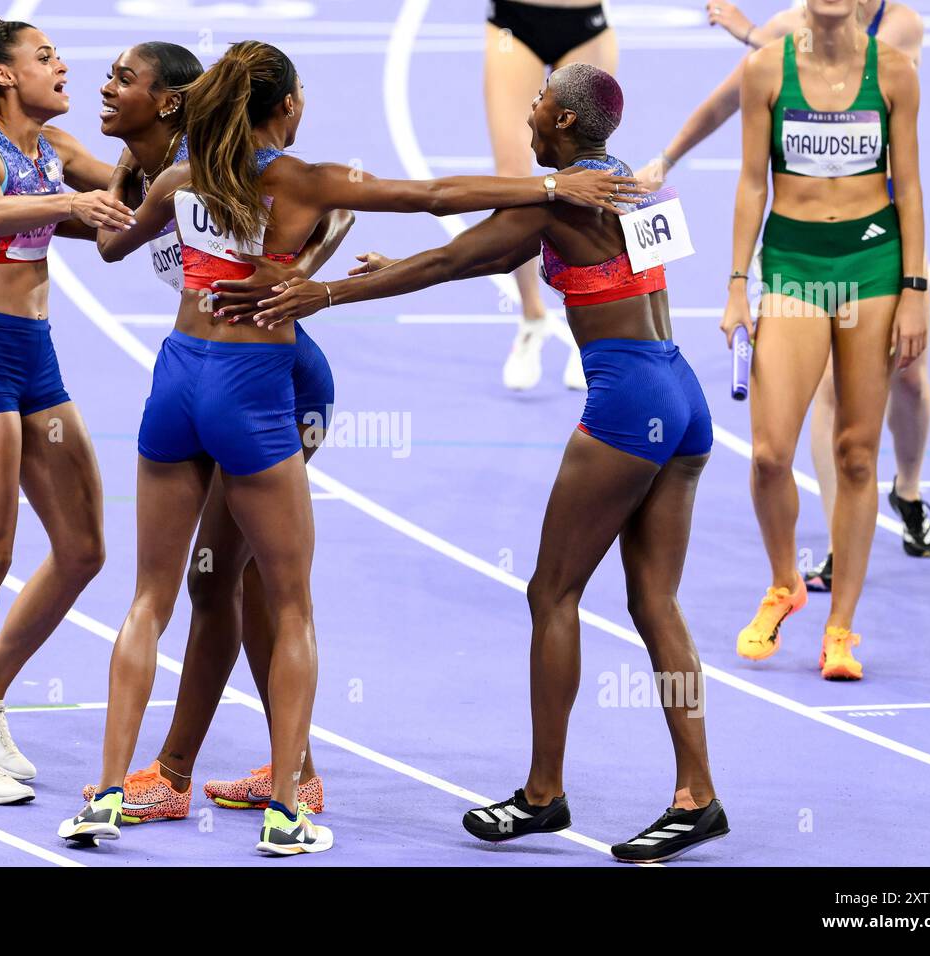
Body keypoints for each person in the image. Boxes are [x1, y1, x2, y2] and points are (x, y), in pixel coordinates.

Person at [56, 41, 645, 855]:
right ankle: (289, 810)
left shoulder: (176, 181)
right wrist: (554, 185)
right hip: (254, 387)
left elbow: (114, 245)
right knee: (290, 602)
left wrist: (66, 205)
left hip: (175, 382)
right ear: (285, 108)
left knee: (148, 600)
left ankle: (109, 793)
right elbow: (435, 193)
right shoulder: (303, 180)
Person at [255, 63, 728, 864]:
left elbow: (454, 261)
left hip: (624, 401)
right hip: (678, 390)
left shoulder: (557, 198)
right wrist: (389, 269)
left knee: (553, 592)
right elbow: (474, 253)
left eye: (539, 103)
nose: (529, 113)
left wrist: (328, 294)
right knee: (657, 603)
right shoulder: (638, 185)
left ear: (569, 125)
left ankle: (544, 794)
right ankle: (696, 795)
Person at [85, 40, 353, 822]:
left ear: (170, 104)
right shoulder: (161, 176)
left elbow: (337, 204)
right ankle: (246, 772)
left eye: (121, 81)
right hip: (210, 376)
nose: (104, 91)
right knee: (216, 579)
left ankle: (240, 777)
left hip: (274, 381)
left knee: (237, 579)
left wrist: (301, 270)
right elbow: (104, 217)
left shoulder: (218, 162)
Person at [639, 0, 930, 589]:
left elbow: (911, 176)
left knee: (910, 376)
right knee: (822, 405)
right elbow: (731, 99)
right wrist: (668, 157)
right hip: (801, 251)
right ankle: (833, 543)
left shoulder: (899, 31)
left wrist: (915, 284)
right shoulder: (787, 35)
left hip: (884, 238)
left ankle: (908, 487)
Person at [0, 13, 136, 804]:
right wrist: (74, 210)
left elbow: (122, 188)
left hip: (36, 359)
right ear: (4, 75)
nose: (63, 67)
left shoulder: (56, 152)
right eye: (45, 57)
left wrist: (177, 159)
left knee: (82, 547)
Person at [722, 0, 926, 680]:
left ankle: (840, 627)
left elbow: (913, 189)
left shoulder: (894, 72)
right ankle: (785, 582)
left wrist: (916, 291)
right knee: (770, 452)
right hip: (794, 268)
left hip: (871, 264)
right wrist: (734, 286)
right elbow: (753, 183)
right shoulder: (765, 72)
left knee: (856, 454)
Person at [487, 0, 619, 392]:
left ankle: (589, 321)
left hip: (584, 23)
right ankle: (531, 317)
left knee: (588, 172)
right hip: (514, 22)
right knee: (511, 173)